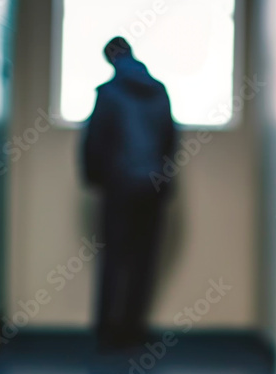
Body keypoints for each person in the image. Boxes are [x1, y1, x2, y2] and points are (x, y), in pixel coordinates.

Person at [82, 36, 177, 350]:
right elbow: (170, 141)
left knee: (114, 258)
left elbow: (95, 141)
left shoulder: (109, 93)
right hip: (153, 186)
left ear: (111, 59)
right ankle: (133, 329)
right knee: (144, 260)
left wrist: (94, 178)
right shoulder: (159, 91)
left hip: (119, 186)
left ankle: (108, 331)